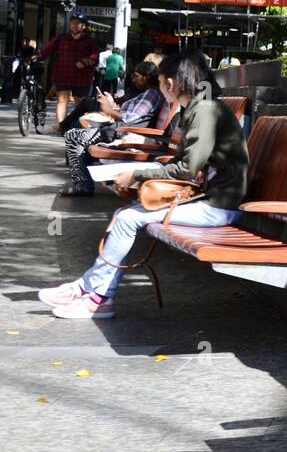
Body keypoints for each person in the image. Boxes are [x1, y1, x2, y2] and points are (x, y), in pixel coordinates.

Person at [36, 52, 249, 320]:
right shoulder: (199, 107)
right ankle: (90, 290)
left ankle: (96, 296)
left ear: (171, 83)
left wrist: (138, 174)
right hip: (207, 198)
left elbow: (187, 168)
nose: (159, 88)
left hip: (218, 206)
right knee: (123, 216)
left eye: (160, 82)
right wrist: (140, 176)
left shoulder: (205, 110)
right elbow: (187, 164)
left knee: (126, 219)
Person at [60, 60, 162, 197]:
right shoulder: (145, 92)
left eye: (136, 76)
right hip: (121, 129)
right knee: (76, 130)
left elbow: (128, 119)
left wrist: (108, 108)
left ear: (146, 77)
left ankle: (83, 185)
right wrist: (111, 105)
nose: (133, 79)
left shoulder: (151, 94)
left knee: (73, 135)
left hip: (123, 133)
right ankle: (83, 182)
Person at [34, 15, 99, 131]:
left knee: (80, 103)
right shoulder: (61, 38)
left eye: (78, 23)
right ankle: (61, 127)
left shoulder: (91, 41)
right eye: (73, 23)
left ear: (84, 26)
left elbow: (95, 57)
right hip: (62, 74)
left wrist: (85, 62)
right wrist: (37, 57)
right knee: (61, 100)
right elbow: (47, 50)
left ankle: (78, 128)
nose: (74, 25)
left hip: (82, 77)